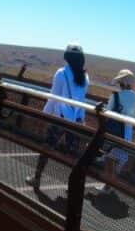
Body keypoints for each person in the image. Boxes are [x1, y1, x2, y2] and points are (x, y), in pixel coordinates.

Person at [27, 44, 90, 189]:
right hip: (76, 122)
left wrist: (44, 115)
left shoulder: (61, 73)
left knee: (47, 148)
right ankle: (72, 187)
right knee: (72, 156)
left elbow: (53, 98)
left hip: (60, 118)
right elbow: (82, 101)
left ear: (66, 57)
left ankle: (37, 178)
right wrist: (82, 120)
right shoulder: (85, 77)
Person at [94, 69, 135, 197]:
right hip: (126, 133)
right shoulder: (134, 97)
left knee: (110, 161)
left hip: (114, 133)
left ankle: (108, 186)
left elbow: (108, 112)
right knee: (114, 160)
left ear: (121, 83)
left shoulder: (115, 96)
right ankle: (109, 186)